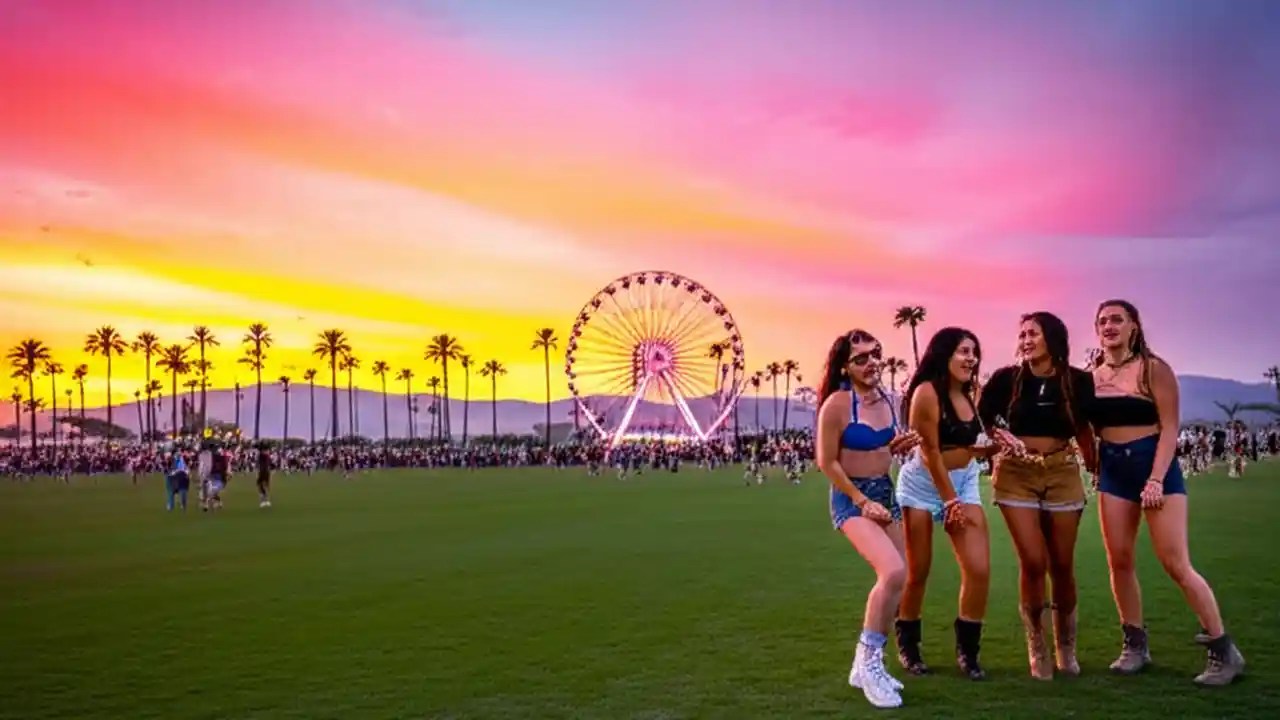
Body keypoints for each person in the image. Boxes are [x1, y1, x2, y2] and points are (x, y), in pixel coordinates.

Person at [1090, 299, 1244, 685]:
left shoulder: (1154, 370)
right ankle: (1134, 645)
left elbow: (1170, 427)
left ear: (1133, 327)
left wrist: (1156, 479)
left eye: (1117, 320)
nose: (1109, 326)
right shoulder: (1091, 377)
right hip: (1113, 471)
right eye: (1103, 321)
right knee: (1119, 561)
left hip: (1154, 467)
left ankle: (1224, 650)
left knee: (1175, 562)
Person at [978, 312, 1095, 679]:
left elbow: (1085, 429)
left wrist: (1096, 467)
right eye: (1023, 334)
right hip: (1016, 473)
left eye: (1034, 333)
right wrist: (999, 439)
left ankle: (1066, 646)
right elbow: (979, 422)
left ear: (1053, 338)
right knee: (1032, 561)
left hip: (1062, 471)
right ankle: (1037, 644)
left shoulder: (1077, 381)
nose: (1026, 339)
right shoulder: (1005, 380)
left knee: (1062, 563)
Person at [815, 330, 920, 708]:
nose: (871, 362)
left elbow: (884, 450)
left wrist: (899, 448)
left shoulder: (889, 402)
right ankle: (868, 661)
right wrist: (861, 501)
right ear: (846, 366)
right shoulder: (838, 404)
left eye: (874, 354)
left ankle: (872, 663)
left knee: (901, 578)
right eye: (860, 358)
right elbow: (826, 461)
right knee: (891, 571)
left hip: (884, 492)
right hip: (851, 498)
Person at [894, 327, 991, 680]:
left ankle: (968, 652)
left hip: (964, 481)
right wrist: (948, 501)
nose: (971, 359)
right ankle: (908, 643)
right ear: (944, 355)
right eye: (963, 352)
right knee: (919, 571)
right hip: (923, 483)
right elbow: (931, 450)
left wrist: (995, 448)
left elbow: (972, 443)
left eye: (974, 352)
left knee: (978, 569)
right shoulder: (926, 393)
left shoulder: (972, 393)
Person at [256, 444, 273, 508]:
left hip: (263, 471)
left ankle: (264, 501)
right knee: (264, 485)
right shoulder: (266, 455)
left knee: (262, 485)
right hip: (265, 471)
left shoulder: (262, 455)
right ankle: (266, 501)